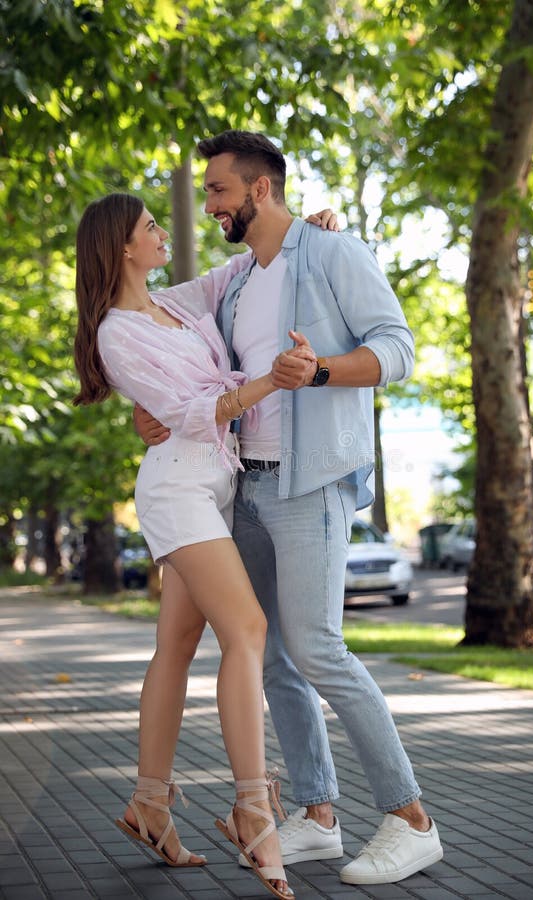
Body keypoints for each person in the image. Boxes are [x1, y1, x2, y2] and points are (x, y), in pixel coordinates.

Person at [135, 130, 444, 887]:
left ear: (259, 191)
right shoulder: (238, 279)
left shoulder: (333, 253)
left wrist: (322, 369)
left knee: (317, 650)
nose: (209, 206)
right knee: (272, 659)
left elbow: (398, 348)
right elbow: (176, 343)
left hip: (313, 485)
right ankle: (318, 813)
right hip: (249, 486)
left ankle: (412, 820)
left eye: (217, 192)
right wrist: (164, 411)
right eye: (206, 192)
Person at [73, 192, 336, 898]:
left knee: (177, 647)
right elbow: (188, 413)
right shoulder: (115, 332)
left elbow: (240, 268)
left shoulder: (177, 303)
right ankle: (254, 810)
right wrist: (265, 386)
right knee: (246, 629)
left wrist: (307, 228)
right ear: (123, 247)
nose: (162, 232)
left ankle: (149, 804)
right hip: (179, 489)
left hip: (216, 485)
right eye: (150, 227)